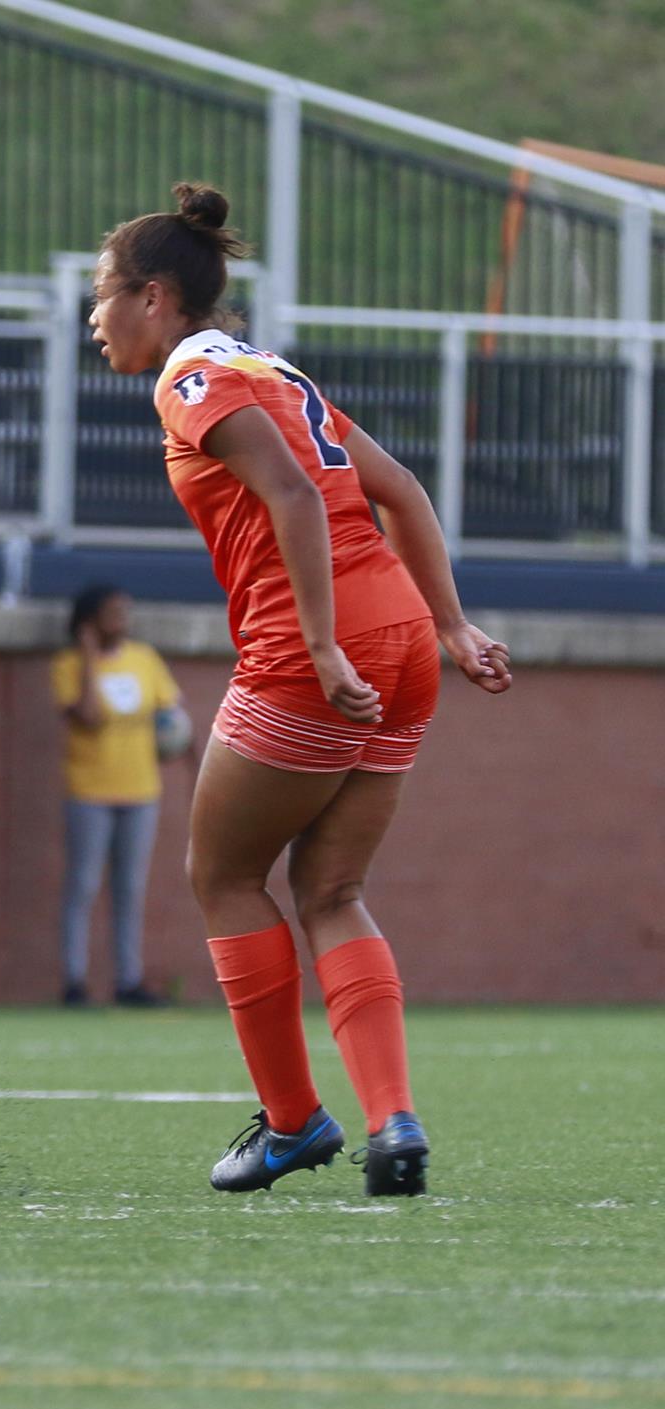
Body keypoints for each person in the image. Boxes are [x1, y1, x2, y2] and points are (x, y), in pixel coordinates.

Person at [87, 183, 512, 1197]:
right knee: (332, 889)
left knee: (222, 875)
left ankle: (291, 1121)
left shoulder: (190, 378)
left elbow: (285, 490)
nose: (91, 317)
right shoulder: (272, 367)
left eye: (100, 294)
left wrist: (320, 646)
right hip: (405, 635)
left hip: (317, 649)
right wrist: (449, 622)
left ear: (152, 295)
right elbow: (397, 487)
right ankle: (393, 1120)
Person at [50, 584, 184, 1008]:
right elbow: (88, 716)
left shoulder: (144, 659)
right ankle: (74, 980)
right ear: (89, 620)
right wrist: (89, 656)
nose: (122, 620)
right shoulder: (68, 664)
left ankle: (128, 979)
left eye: (126, 611)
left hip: (141, 789)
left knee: (130, 887)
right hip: (90, 790)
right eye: (113, 612)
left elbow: (173, 716)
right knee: (84, 885)